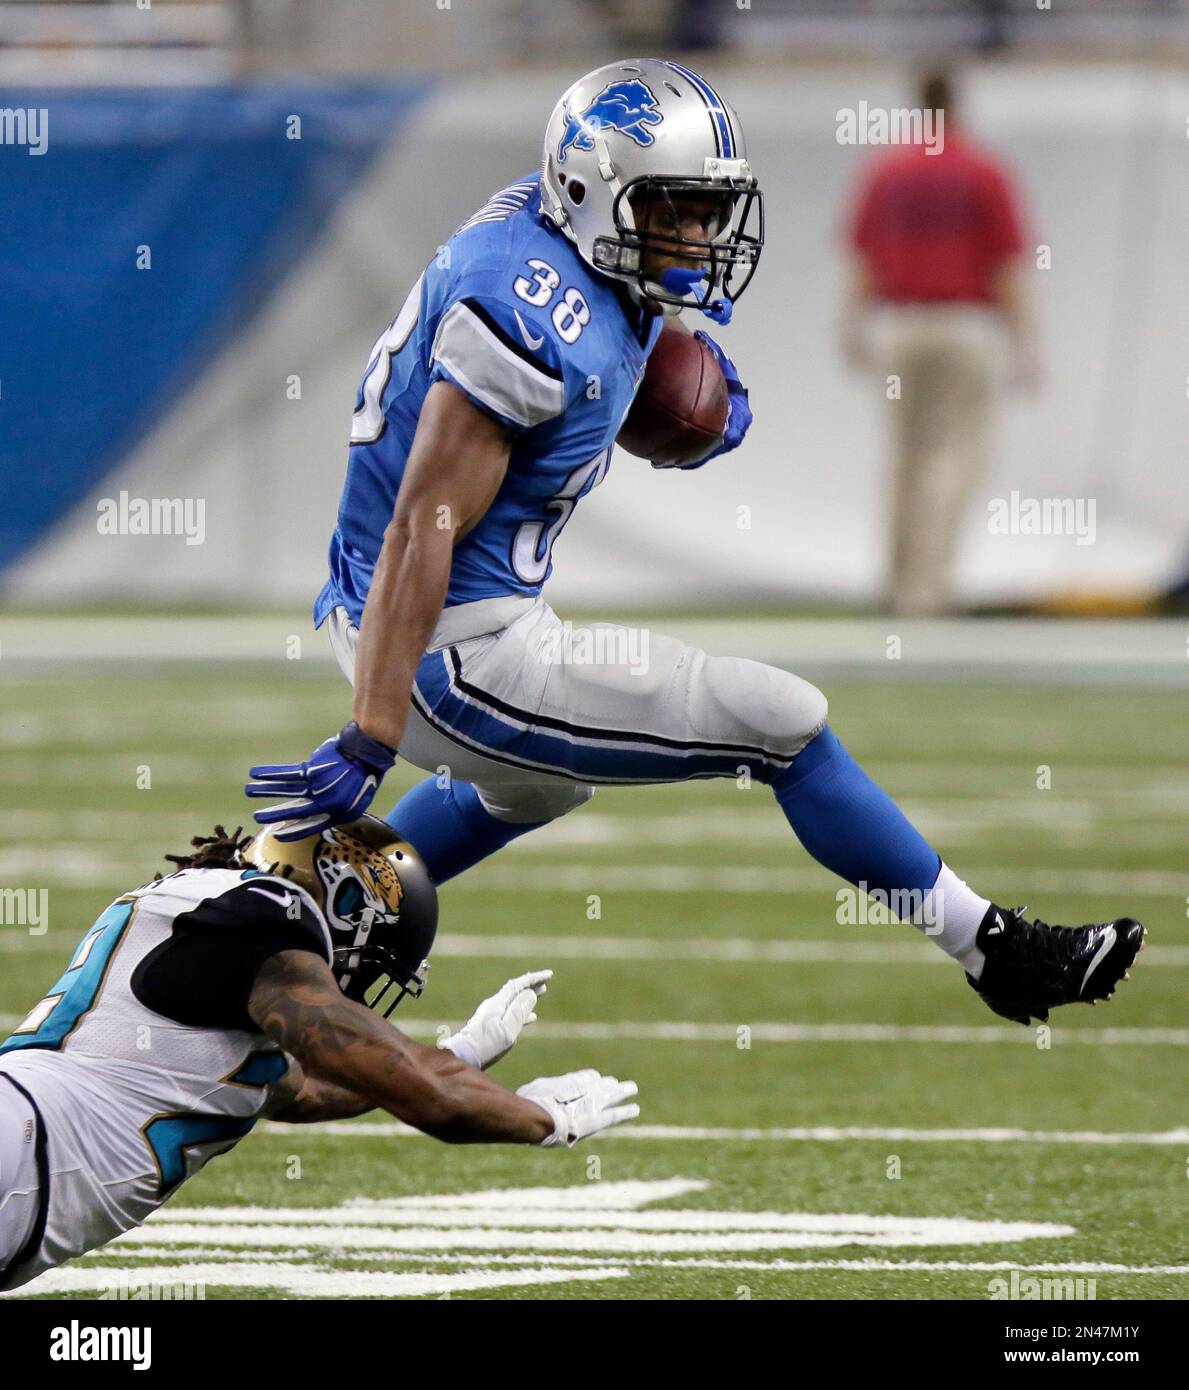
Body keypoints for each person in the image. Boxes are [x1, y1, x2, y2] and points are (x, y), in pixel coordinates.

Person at [245, 58, 1142, 1049]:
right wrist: (371, 733)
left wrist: (679, 389)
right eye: (674, 208)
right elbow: (427, 520)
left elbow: (613, 349)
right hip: (438, 646)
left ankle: (301, 917)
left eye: (709, 210)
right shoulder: (530, 311)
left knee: (536, 785)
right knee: (781, 722)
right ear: (592, 193)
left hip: (444, 615)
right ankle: (995, 949)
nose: (698, 236)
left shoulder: (558, 244)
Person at [0, 818, 637, 1291]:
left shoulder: (206, 925)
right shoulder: (265, 933)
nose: (356, 977)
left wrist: (461, 1053)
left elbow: (304, 1091)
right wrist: (546, 1120)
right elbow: (426, 1098)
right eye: (373, 950)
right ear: (341, 905)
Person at [841, 68, 1038, 616]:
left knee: (903, 457)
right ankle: (927, 589)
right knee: (952, 459)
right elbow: (1006, 267)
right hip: (963, 326)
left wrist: (852, 327)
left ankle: (897, 578)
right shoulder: (983, 171)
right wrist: (1027, 343)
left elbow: (862, 260)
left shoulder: (886, 171)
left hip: (901, 327)